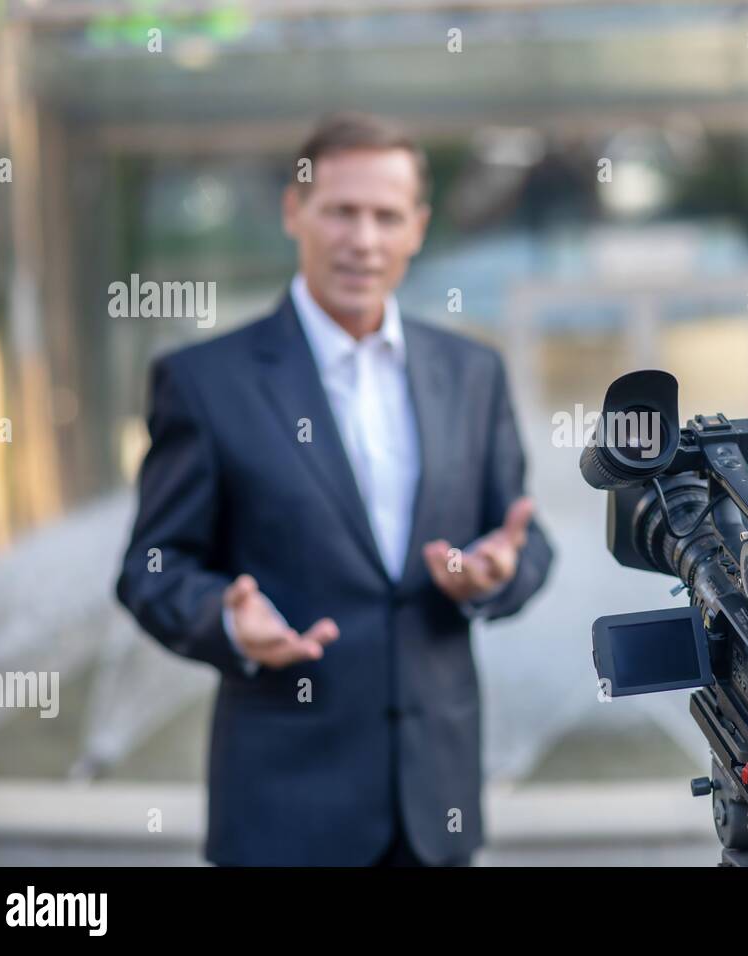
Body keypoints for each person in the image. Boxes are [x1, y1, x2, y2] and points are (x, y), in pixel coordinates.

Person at [116, 112, 553, 866]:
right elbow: (152, 568)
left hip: (435, 805)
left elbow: (521, 537)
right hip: (283, 812)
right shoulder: (206, 382)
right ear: (296, 211)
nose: (364, 239)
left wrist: (494, 575)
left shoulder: (471, 372)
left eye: (387, 216)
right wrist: (225, 618)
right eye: (341, 211)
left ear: (417, 228)